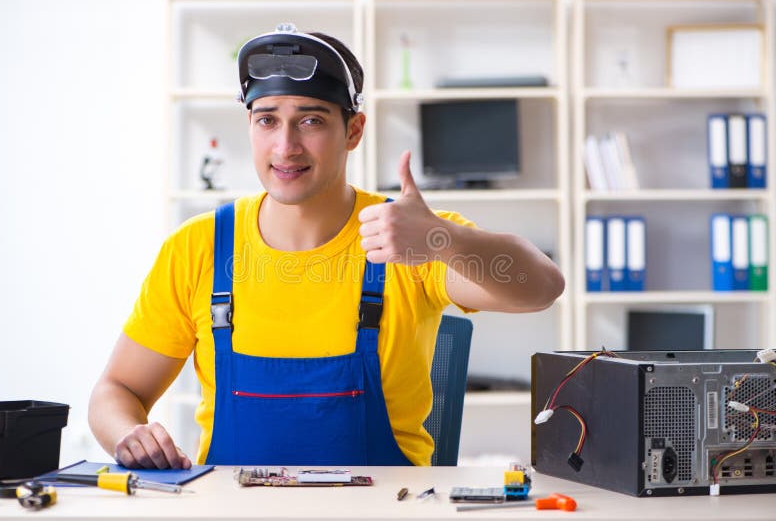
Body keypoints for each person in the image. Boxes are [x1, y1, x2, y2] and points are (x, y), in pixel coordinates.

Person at [88, 24, 565, 469]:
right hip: (234, 508)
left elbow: (542, 286)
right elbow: (117, 389)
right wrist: (130, 434)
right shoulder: (198, 248)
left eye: (311, 121)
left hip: (383, 509)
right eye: (267, 120)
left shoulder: (408, 235)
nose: (285, 147)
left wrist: (441, 239)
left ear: (353, 131)